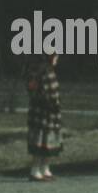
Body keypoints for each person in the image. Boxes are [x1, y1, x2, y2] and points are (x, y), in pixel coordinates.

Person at [26, 53, 63, 181]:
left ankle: (44, 169)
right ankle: (36, 170)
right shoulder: (47, 73)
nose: (57, 60)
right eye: (56, 57)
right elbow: (51, 94)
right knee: (43, 141)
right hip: (46, 114)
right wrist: (55, 105)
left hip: (37, 112)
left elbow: (31, 91)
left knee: (42, 141)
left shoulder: (35, 71)